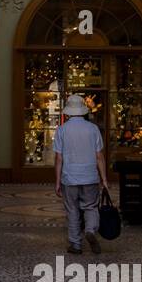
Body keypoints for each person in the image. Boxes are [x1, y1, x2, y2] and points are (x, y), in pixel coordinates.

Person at [53, 93, 110, 255]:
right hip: (90, 176)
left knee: (72, 210)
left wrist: (57, 181)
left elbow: (59, 158)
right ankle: (91, 230)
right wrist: (104, 179)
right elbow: (99, 156)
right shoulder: (93, 129)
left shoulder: (62, 130)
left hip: (69, 177)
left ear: (68, 112)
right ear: (83, 110)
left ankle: (76, 245)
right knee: (91, 207)